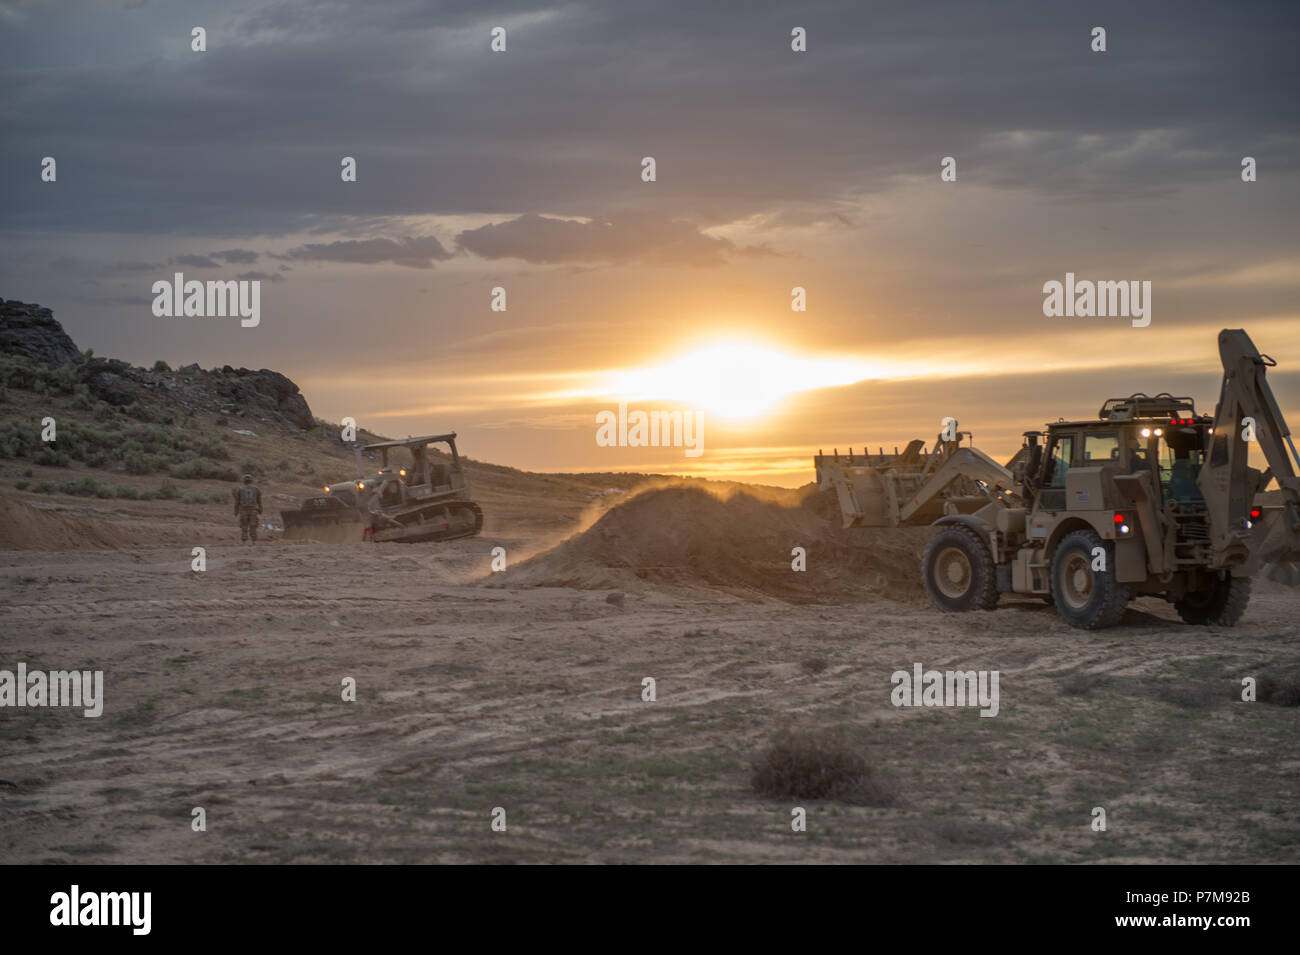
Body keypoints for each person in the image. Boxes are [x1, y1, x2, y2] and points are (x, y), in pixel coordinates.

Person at [232, 473, 262, 542]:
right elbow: (259, 501)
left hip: (243, 510)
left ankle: (244, 539)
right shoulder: (256, 489)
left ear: (244, 481)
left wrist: (236, 511)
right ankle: (254, 540)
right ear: (251, 480)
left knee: (244, 525)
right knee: (253, 525)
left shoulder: (240, 489)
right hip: (253, 510)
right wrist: (260, 509)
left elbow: (237, 502)